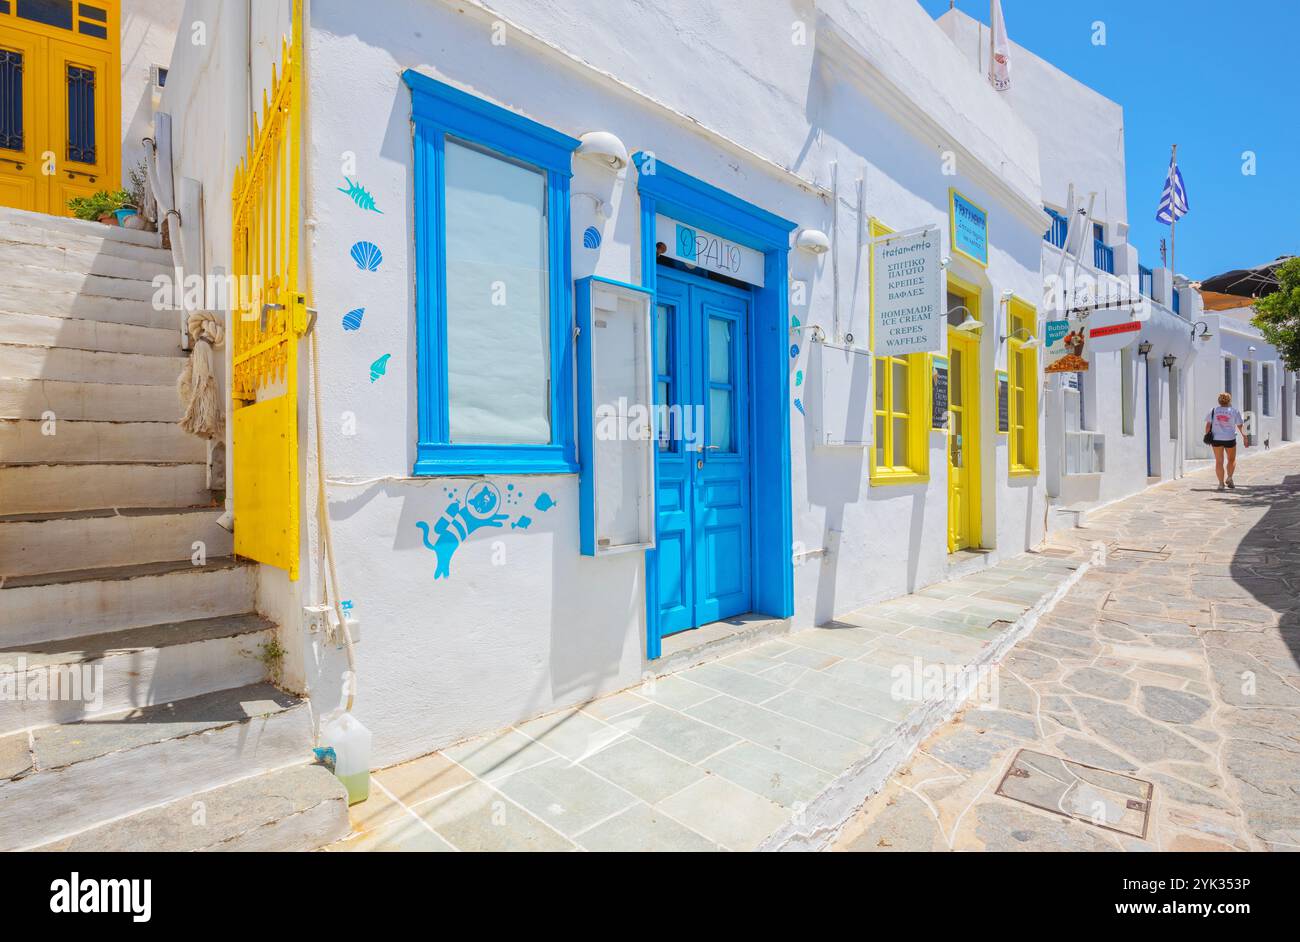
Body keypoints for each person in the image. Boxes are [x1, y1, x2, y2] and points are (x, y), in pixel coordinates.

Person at [1204, 392, 1247, 491]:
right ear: (1229, 401)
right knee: (1231, 460)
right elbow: (1240, 425)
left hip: (1216, 439)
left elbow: (1207, 426)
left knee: (1219, 461)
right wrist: (1245, 437)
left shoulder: (1213, 410)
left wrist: (1208, 437)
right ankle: (1229, 478)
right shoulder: (1234, 411)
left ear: (1219, 401)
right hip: (1230, 438)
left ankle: (1220, 484)